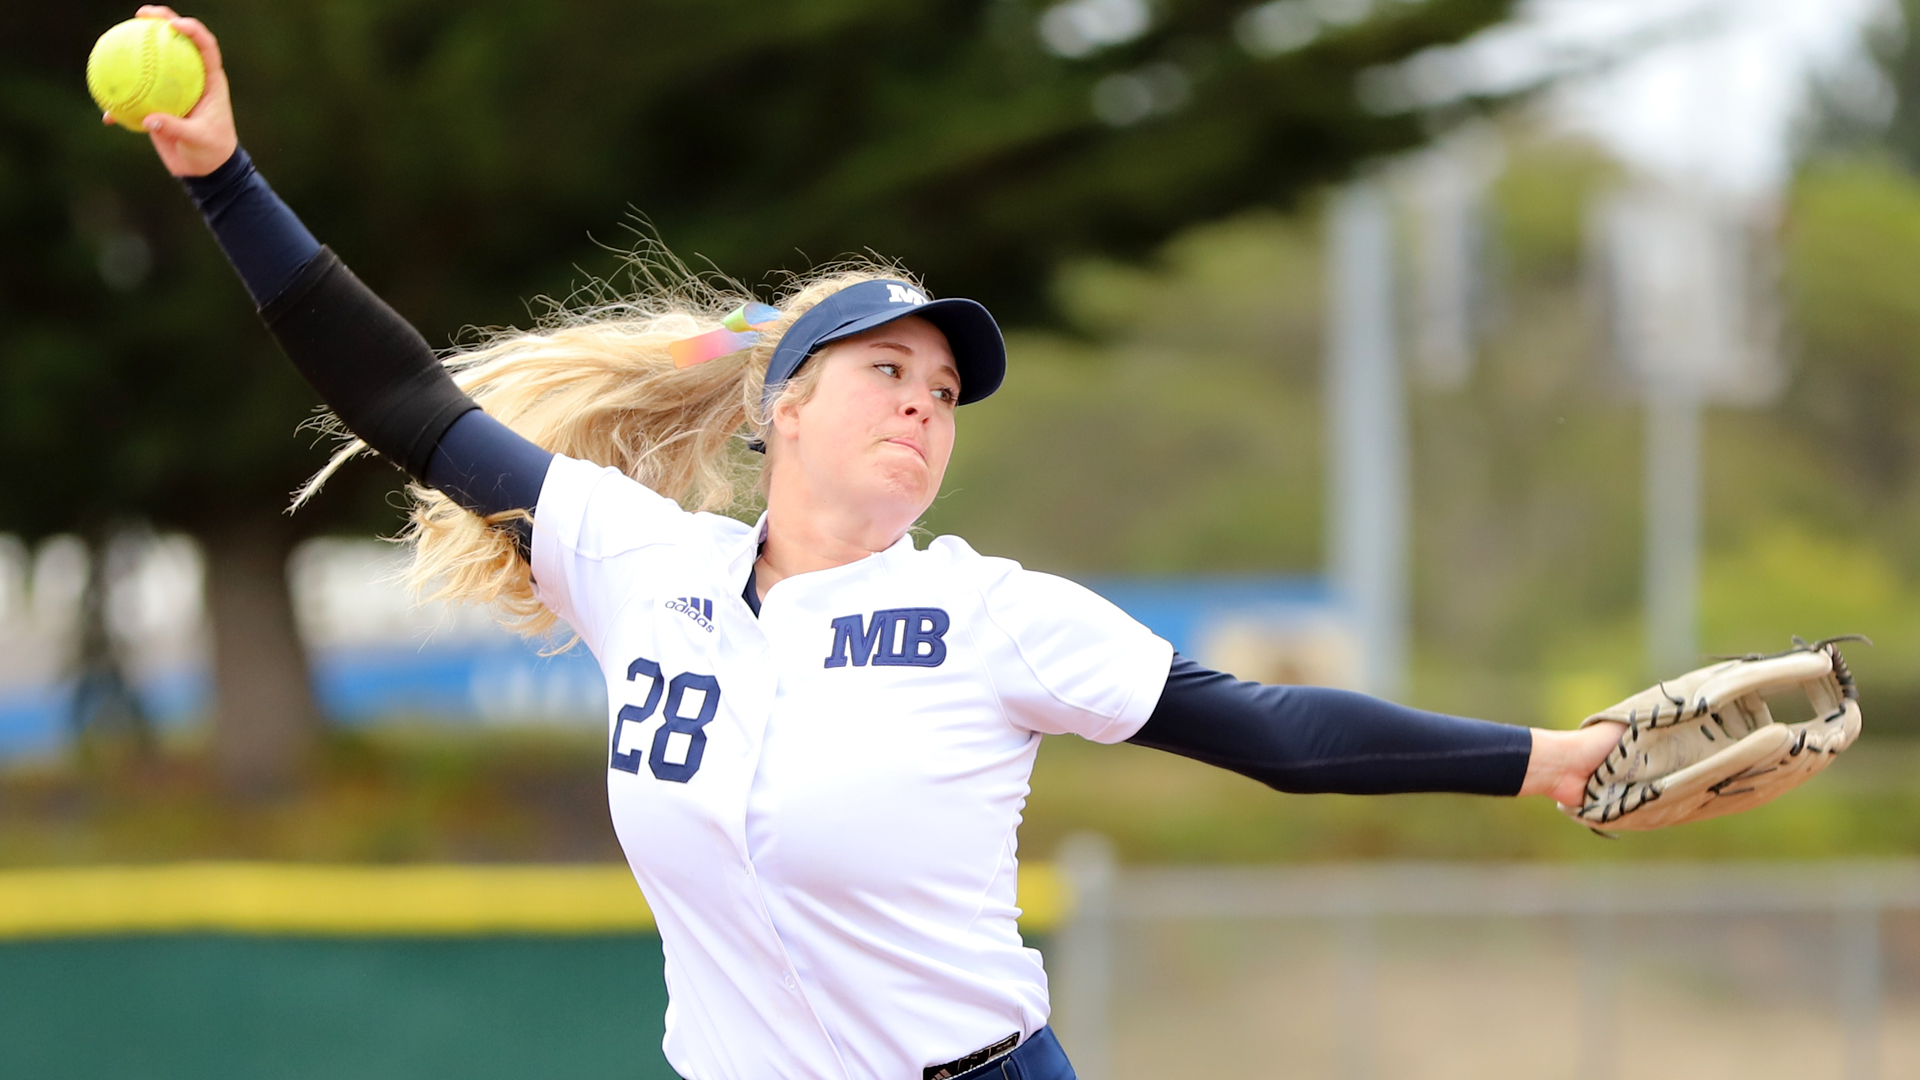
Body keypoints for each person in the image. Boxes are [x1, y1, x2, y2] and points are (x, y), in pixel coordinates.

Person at [121, 9, 1623, 1079]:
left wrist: (1545, 760)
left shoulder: (991, 615)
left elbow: (1274, 732)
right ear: (781, 405)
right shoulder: (639, 563)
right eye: (886, 370)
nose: (922, 401)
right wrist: (222, 178)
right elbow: (403, 401)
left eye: (945, 390)